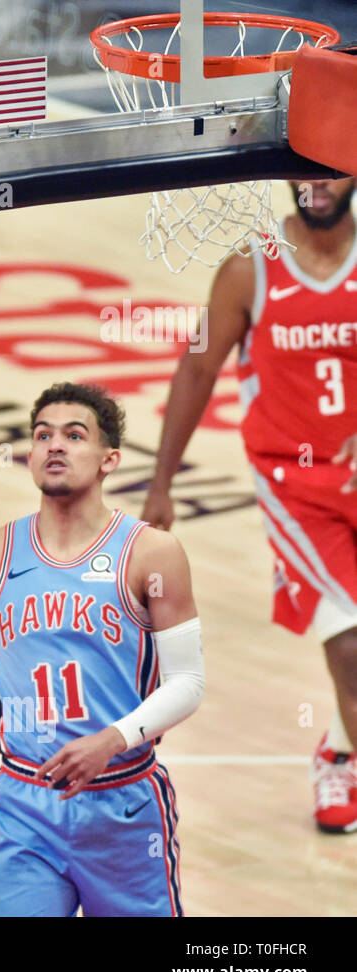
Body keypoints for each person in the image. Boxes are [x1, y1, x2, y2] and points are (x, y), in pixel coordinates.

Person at [141, 177, 357, 833]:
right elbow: (198, 368)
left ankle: (339, 748)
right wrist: (161, 482)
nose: (316, 185)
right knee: (350, 644)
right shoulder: (250, 268)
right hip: (296, 486)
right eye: (305, 170)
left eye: (331, 170)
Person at [0, 383, 203, 916]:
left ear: (110, 459)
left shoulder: (151, 553)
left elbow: (188, 683)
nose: (55, 445)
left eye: (74, 435)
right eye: (43, 435)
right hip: (24, 803)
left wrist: (112, 740)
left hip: (123, 805)